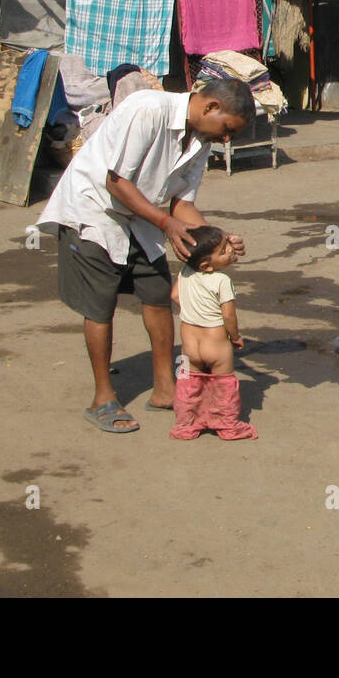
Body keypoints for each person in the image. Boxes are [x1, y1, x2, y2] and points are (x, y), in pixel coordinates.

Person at [39, 78, 253, 433]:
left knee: (156, 292)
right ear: (210, 108)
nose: (226, 139)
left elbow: (183, 204)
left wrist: (218, 239)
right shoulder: (147, 109)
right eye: (228, 129)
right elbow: (116, 181)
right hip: (93, 210)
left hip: (142, 217)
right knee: (100, 304)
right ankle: (103, 398)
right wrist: (166, 223)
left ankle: (165, 389)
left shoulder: (200, 140)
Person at [169, 225, 257, 441]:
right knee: (224, 386)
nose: (229, 250)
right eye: (223, 250)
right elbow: (228, 316)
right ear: (207, 266)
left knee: (188, 386)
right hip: (216, 346)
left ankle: (186, 426)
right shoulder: (222, 281)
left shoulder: (185, 272)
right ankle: (228, 426)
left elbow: (174, 295)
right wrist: (235, 337)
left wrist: (191, 309)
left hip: (190, 347)